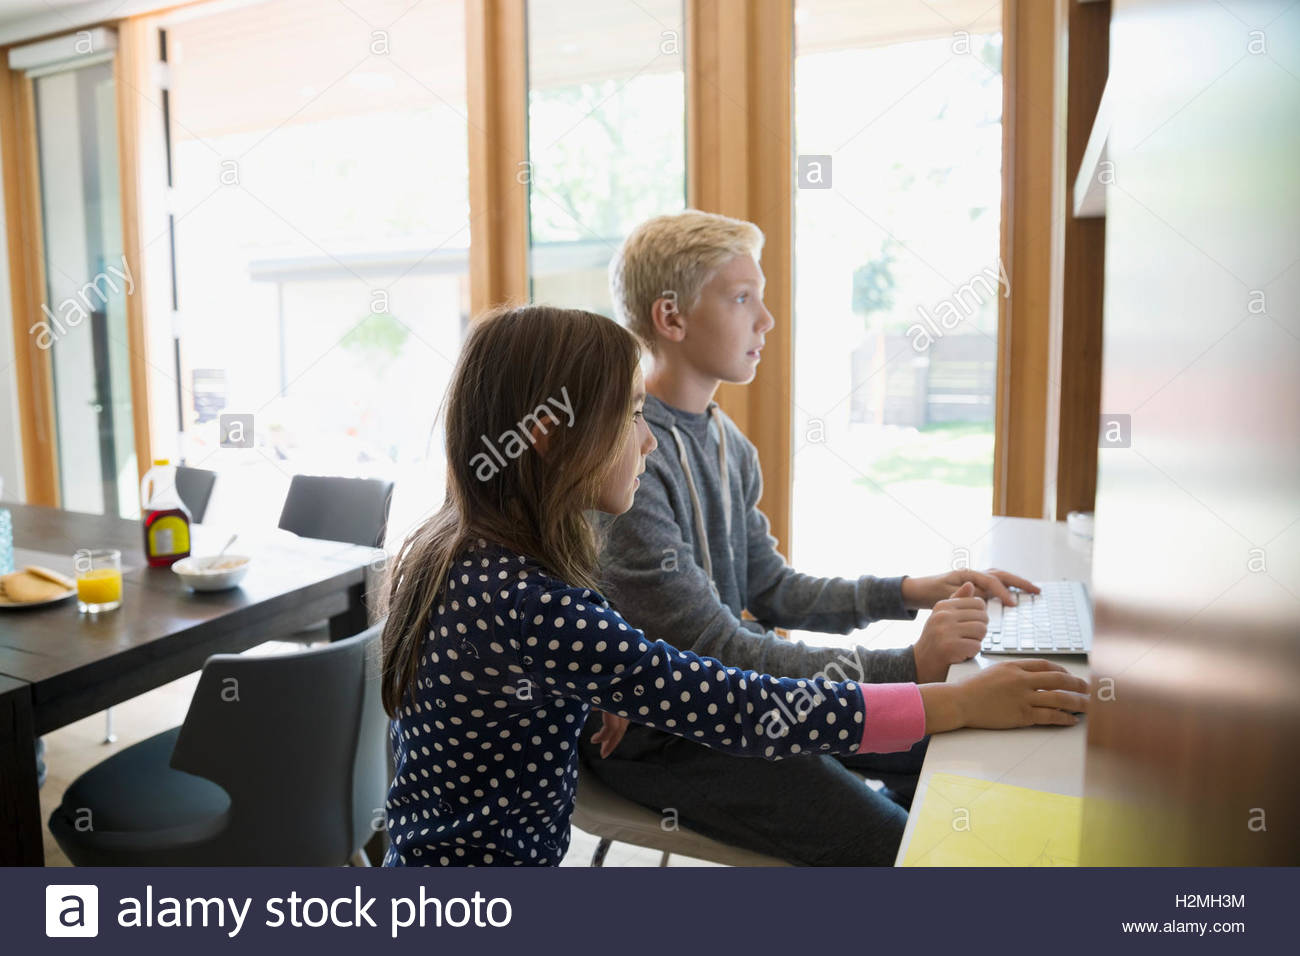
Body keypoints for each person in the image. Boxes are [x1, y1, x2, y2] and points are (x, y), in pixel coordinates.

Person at [380, 304, 1089, 866]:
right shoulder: (529, 600)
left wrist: (580, 692)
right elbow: (737, 705)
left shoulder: (466, 552)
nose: (647, 440)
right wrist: (952, 704)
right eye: (628, 416)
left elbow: (487, 696)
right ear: (545, 436)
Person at [578, 210, 1045, 865]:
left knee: (964, 766)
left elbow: (771, 588)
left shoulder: (725, 442)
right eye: (742, 299)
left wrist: (911, 591)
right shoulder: (629, 464)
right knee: (900, 847)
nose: (766, 321)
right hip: (682, 739)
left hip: (746, 705)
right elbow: (717, 648)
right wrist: (909, 670)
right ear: (671, 319)